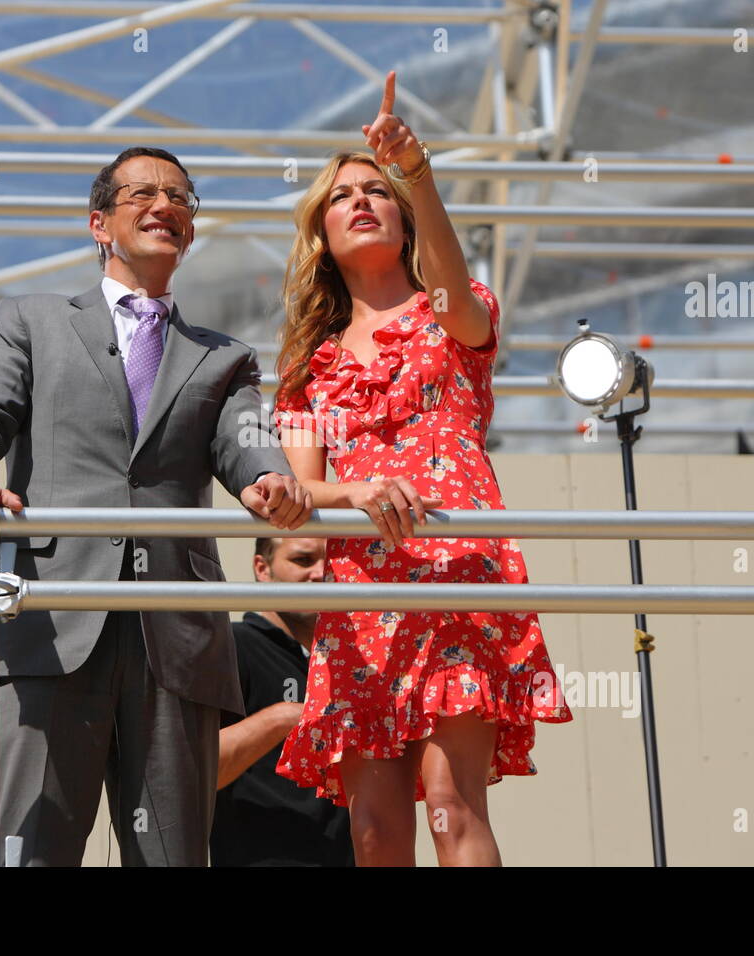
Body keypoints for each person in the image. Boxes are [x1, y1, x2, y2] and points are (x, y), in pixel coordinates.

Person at [0, 146, 312, 866]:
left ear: (190, 232)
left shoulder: (224, 357)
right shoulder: (31, 321)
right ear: (99, 223)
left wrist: (271, 479)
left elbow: (247, 441)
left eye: (179, 197)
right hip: (48, 625)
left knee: (170, 858)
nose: (164, 205)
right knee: (26, 852)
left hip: (178, 639)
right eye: (141, 193)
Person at [270, 72, 573, 867]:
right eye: (343, 197)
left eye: (378, 191)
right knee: (372, 827)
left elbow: (450, 283)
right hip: (363, 592)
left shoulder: (449, 315)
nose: (363, 201)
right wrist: (354, 489)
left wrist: (419, 169)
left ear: (403, 218)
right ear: (321, 234)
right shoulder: (310, 362)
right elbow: (299, 493)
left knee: (450, 801)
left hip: (457, 571)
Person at [210, 537, 354, 867]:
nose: (320, 573)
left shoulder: (353, 663)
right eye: (303, 560)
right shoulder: (233, 646)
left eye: (329, 563)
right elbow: (189, 773)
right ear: (263, 568)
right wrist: (283, 718)